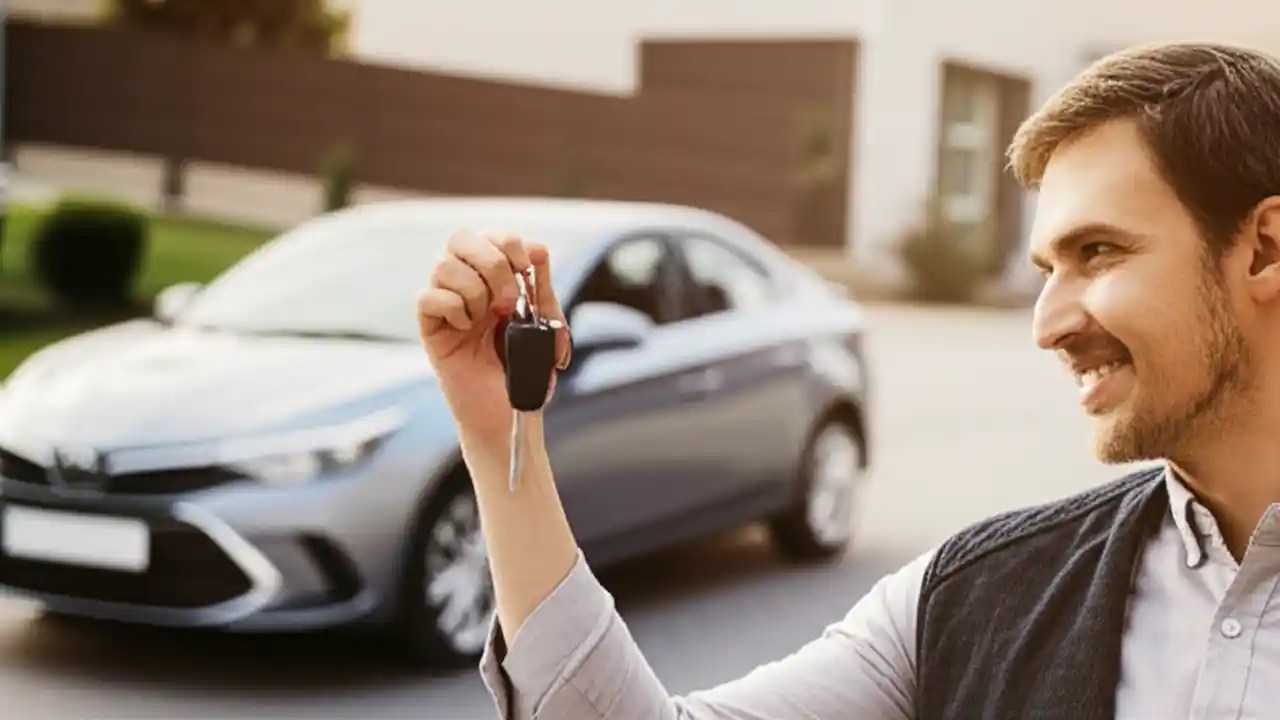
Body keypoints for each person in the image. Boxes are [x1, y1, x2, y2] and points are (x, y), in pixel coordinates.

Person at [416, 40, 1280, 718]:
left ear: (1265, 247)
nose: (1048, 322)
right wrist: (502, 438)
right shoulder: (975, 597)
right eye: (1047, 267)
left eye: (1099, 253)